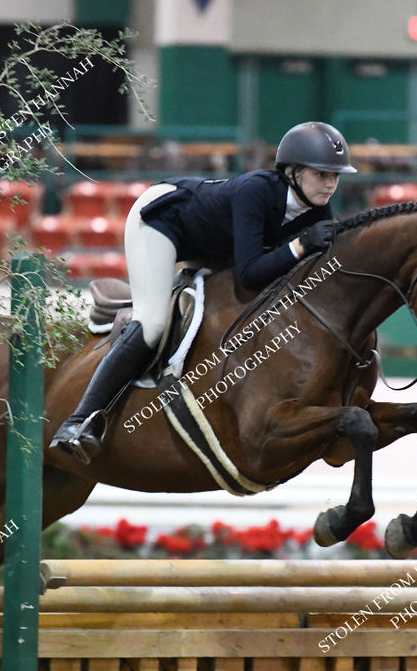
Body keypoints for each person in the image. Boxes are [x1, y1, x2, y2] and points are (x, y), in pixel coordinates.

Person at [49, 120, 357, 464]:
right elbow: (251, 273)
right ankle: (79, 422)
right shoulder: (256, 191)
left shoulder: (318, 210)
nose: (330, 184)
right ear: (292, 172)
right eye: (320, 174)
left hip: (214, 244)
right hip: (164, 222)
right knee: (152, 322)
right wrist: (300, 246)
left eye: (335, 176)